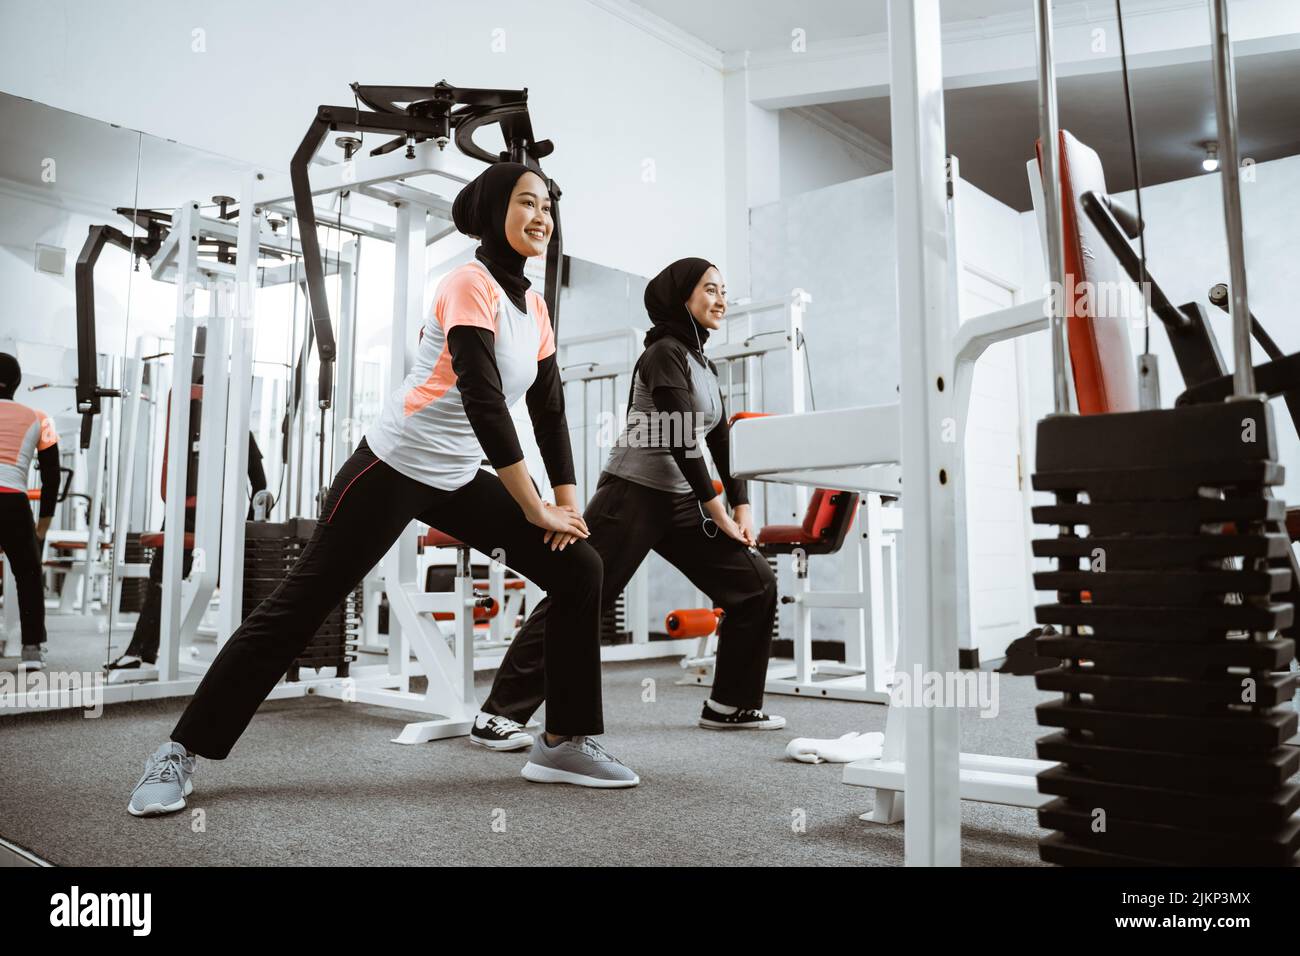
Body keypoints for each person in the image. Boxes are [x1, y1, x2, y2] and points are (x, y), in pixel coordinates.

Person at [127, 162, 638, 817]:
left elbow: (549, 407)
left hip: (456, 476)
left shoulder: (532, 305)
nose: (543, 216)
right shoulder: (467, 283)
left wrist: (565, 499)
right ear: (492, 210)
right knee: (297, 608)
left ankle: (565, 740)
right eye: (528, 203)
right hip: (392, 465)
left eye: (549, 206)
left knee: (580, 568)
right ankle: (178, 752)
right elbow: (483, 399)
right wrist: (533, 503)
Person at [470, 258, 784, 753]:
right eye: (710, 289)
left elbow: (722, 439)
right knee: (579, 589)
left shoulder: (706, 364)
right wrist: (719, 510)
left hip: (679, 502)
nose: (722, 299)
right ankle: (498, 714)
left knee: (755, 584)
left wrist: (742, 503)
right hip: (631, 494)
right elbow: (681, 437)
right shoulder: (663, 353)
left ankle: (730, 704)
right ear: (682, 296)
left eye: (725, 290)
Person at [105, 432, 267, 678]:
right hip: (190, 515)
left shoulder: (238, 430)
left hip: (219, 520)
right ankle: (139, 652)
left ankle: (253, 656)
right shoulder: (191, 424)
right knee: (161, 578)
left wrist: (249, 529)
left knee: (234, 586)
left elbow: (259, 485)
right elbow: (259, 484)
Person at [0, 352, 60, 671]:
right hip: (13, 502)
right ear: (18, 384)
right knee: (28, 575)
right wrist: (41, 530)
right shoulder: (40, 417)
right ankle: (32, 651)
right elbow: (52, 477)